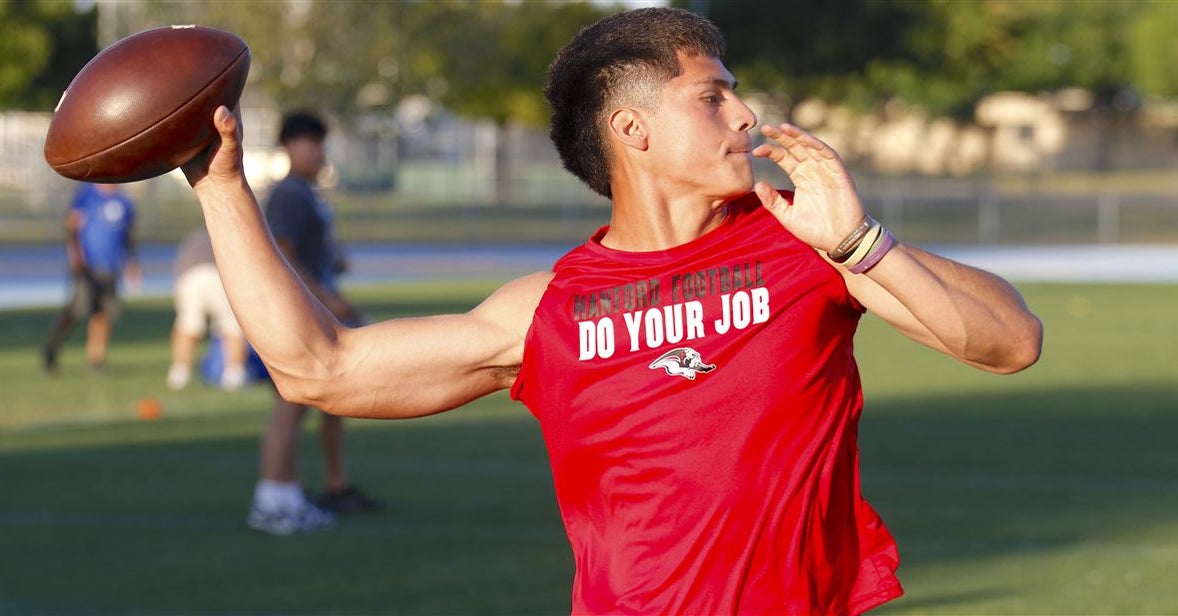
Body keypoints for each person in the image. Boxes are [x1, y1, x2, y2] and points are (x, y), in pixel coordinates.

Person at [182, 8, 1042, 614]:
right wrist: (221, 188)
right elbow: (317, 367)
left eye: (736, 92)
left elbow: (1010, 342)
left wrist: (858, 240)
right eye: (712, 97)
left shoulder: (808, 245)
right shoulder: (547, 313)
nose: (746, 115)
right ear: (632, 131)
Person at [244, 111, 382, 536]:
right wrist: (326, 298)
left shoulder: (306, 194)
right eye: (308, 142)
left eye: (320, 142)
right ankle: (271, 502)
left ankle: (288, 496)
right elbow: (283, 255)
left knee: (304, 407)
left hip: (309, 311)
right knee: (289, 408)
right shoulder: (288, 193)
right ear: (287, 146)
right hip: (293, 314)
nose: (317, 150)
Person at [43, 182, 141, 373]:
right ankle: (52, 348)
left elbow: (128, 236)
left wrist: (132, 263)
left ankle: (96, 360)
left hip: (112, 266)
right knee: (76, 311)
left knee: (103, 314)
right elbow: (72, 227)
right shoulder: (86, 194)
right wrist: (76, 256)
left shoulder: (124, 202)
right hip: (87, 265)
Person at [167, 228, 249, 391]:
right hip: (218, 274)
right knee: (231, 326)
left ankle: (179, 373)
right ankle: (234, 374)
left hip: (189, 278)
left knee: (188, 325)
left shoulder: (192, 237)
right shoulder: (228, 234)